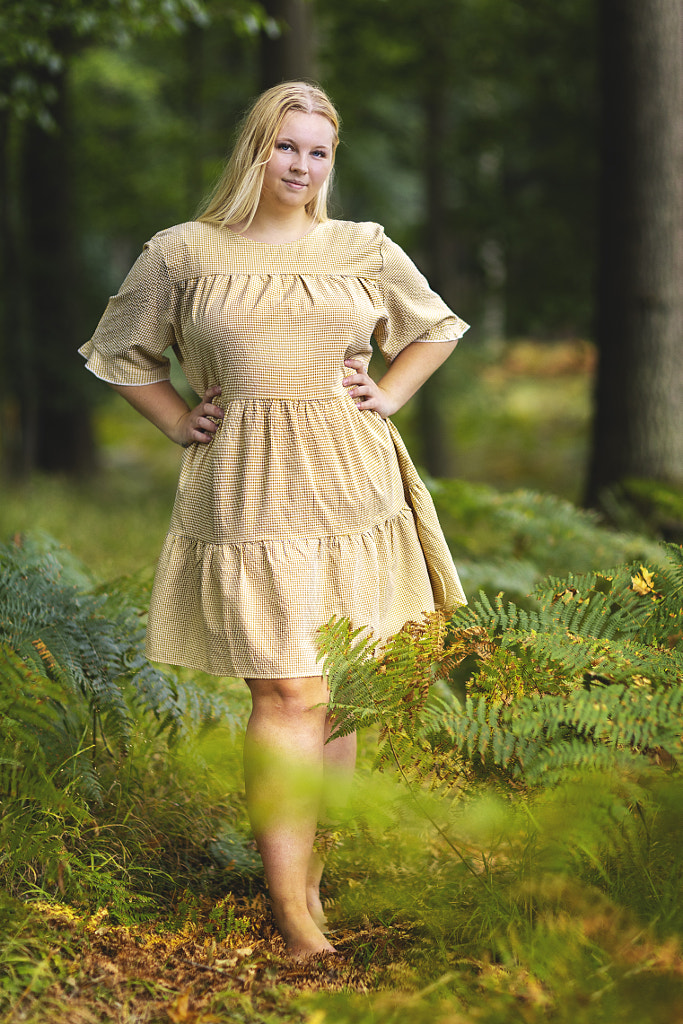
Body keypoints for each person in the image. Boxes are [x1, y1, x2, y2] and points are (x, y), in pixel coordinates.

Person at [79, 81, 469, 958]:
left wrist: (389, 392)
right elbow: (120, 352)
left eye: (318, 151)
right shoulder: (183, 253)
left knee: (333, 694)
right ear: (256, 148)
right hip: (247, 489)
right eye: (285, 146)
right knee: (287, 689)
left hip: (353, 490)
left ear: (332, 161)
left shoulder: (360, 247)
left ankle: (310, 882)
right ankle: (291, 917)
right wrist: (178, 418)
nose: (301, 165)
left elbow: (434, 328)